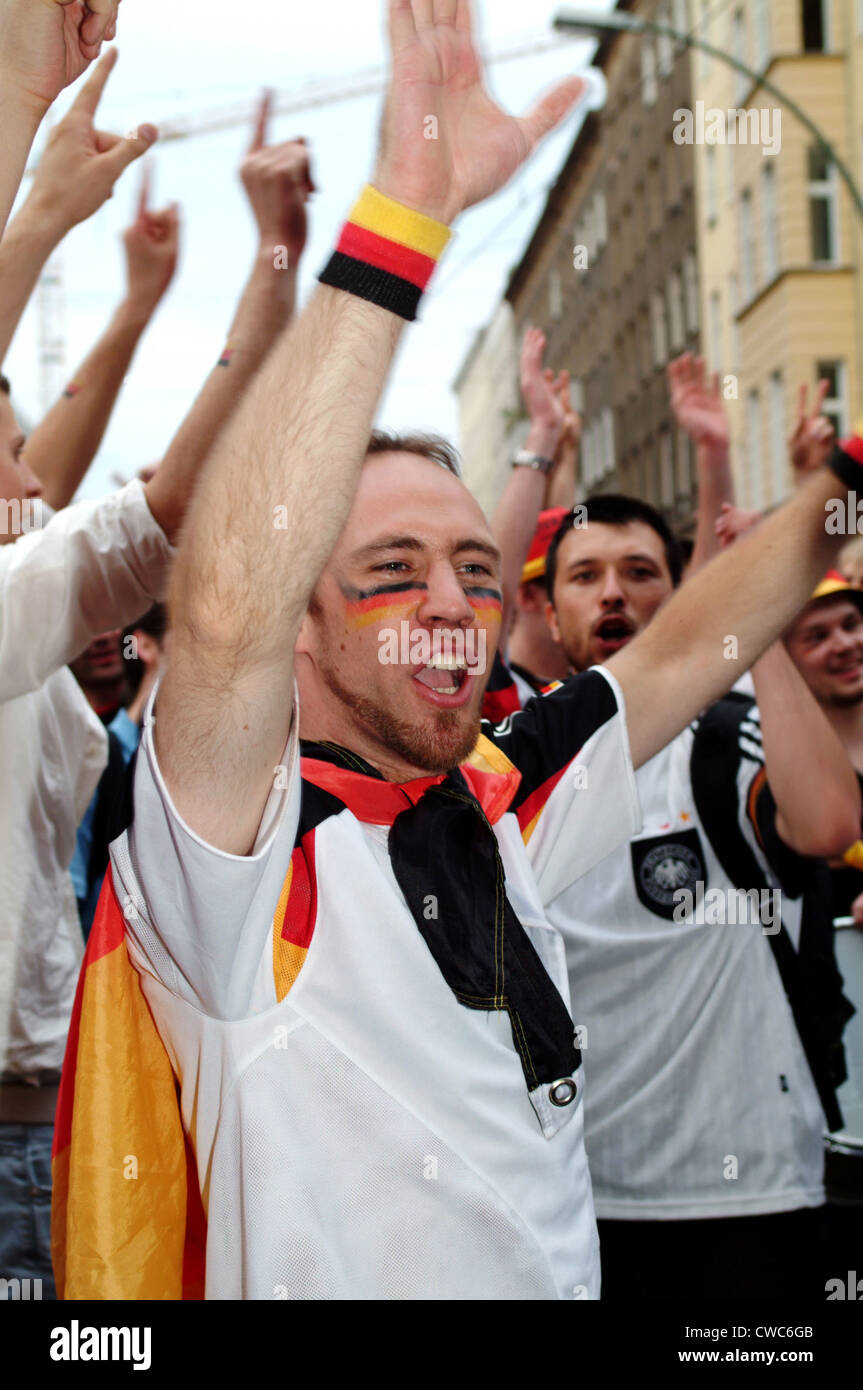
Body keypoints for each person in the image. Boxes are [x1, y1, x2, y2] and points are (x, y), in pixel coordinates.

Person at [55, 0, 863, 1303]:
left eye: (475, 572)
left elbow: (696, 641)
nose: (451, 603)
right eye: (389, 573)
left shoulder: (500, 794)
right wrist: (405, 210)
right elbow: (223, 603)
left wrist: (840, 491)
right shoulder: (234, 856)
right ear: (298, 631)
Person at [0, 45, 313, 1294]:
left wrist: (259, 280)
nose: (39, 482)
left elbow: (163, 500)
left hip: (28, 1133)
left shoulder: (17, 613)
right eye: (17, 456)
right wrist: (31, 193)